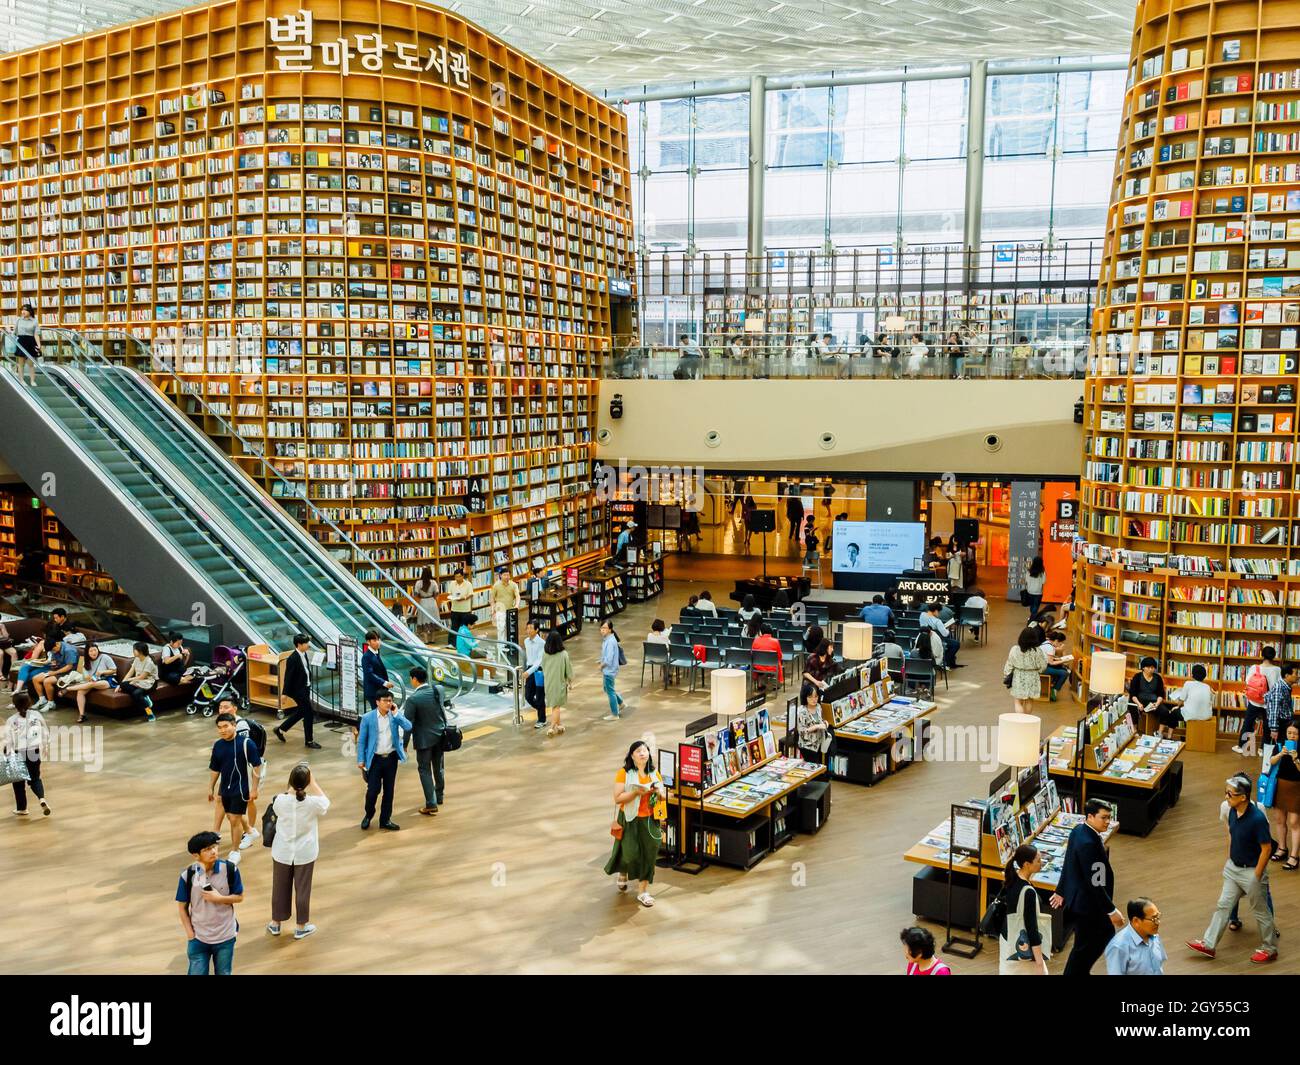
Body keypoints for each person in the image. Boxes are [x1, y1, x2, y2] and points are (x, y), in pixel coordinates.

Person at [1187, 773, 1278, 964]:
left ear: (1243, 797)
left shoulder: (1258, 819)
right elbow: (1232, 834)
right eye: (1226, 793)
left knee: (1260, 911)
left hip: (1251, 871)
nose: (1226, 797)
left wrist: (1257, 875)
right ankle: (1209, 944)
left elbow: (1267, 848)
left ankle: (1269, 948)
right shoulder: (1231, 811)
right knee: (1223, 905)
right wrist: (1230, 859)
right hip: (1233, 869)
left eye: (1230, 794)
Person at [1049, 798, 1121, 975]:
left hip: (1082, 901)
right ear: (1090, 816)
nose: (1107, 822)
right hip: (1089, 905)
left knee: (1085, 944)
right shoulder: (1089, 843)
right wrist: (1111, 910)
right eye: (1103, 818)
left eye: (1109, 817)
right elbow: (1095, 883)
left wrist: (1061, 889)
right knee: (1091, 942)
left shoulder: (1078, 830)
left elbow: (1069, 862)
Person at [267, 763, 328, 940]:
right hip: (305, 853)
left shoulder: (279, 800)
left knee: (279, 887)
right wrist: (313, 783)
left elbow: (286, 796)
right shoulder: (313, 803)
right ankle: (301, 927)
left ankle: (275, 923)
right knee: (302, 889)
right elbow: (325, 802)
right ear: (307, 782)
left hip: (282, 852)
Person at [604, 740, 665, 908]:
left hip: (649, 819)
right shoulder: (624, 773)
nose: (642, 753)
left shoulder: (654, 773)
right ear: (632, 755)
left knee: (650, 851)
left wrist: (658, 792)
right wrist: (636, 792)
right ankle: (623, 870)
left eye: (645, 751)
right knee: (630, 852)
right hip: (629, 818)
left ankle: (643, 891)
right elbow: (618, 798)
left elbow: (664, 797)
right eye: (638, 751)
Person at [176, 831, 244, 975]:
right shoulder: (188, 876)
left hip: (225, 936)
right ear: (195, 855)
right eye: (207, 849)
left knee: (224, 973)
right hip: (199, 938)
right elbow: (182, 908)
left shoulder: (230, 870)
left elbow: (239, 897)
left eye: (214, 846)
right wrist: (190, 935)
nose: (213, 851)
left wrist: (219, 899)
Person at [356, 691, 413, 831]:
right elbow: (362, 740)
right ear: (377, 702)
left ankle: (385, 820)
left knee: (389, 791)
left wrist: (396, 714)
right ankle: (369, 814)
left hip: (391, 759)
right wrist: (360, 759)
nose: (389, 703)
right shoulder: (368, 718)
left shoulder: (394, 716)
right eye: (385, 700)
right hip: (375, 760)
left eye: (390, 700)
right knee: (372, 791)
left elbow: (408, 727)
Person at [209, 711, 262, 853]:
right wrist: (211, 788)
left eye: (225, 726)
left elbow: (257, 765)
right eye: (219, 727)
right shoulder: (218, 745)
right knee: (231, 815)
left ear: (234, 725)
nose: (222, 730)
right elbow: (215, 769)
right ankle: (250, 831)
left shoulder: (246, 744)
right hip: (226, 787)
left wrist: (254, 789)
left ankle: (235, 852)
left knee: (234, 819)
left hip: (242, 786)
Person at [402, 666, 447, 816]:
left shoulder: (413, 700)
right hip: (440, 735)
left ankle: (431, 803)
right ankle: (439, 795)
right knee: (438, 767)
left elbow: (408, 725)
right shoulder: (438, 690)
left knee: (424, 770)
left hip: (423, 740)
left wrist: (404, 744)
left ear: (414, 679)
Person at [998, 844, 1050, 975]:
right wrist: (1039, 960)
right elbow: (1031, 927)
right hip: (1021, 944)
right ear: (1027, 864)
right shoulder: (1028, 892)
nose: (1041, 863)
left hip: (1007, 938)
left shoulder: (1012, 878)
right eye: (1038, 860)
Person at [4, 691, 50, 817]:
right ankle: (41, 798)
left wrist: (8, 755)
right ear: (29, 702)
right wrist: (45, 746)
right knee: (35, 778)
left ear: (15, 704)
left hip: (19, 753)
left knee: (18, 781)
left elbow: (9, 741)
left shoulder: (11, 720)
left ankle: (22, 808)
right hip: (34, 751)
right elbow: (45, 731)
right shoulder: (36, 715)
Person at [275, 633, 320, 749]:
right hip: (298, 691)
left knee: (301, 712)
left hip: (305, 688)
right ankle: (309, 741)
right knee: (309, 713)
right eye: (306, 643)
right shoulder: (293, 658)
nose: (308, 645)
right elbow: (288, 677)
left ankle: (280, 729)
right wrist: (284, 693)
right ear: (299, 644)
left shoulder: (303, 654)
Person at [1265, 721, 1300, 869]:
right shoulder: (1280, 745)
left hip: (1296, 788)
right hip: (1280, 785)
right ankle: (1282, 848)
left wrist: (1295, 758)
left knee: (1294, 822)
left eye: (1295, 734)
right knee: (1279, 819)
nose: (1291, 736)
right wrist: (1280, 754)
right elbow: (1270, 762)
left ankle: (1294, 856)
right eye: (1289, 733)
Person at [1235, 646, 1281, 755]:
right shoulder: (1277, 670)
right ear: (1273, 656)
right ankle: (1263, 750)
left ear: (1262, 655)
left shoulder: (1254, 667)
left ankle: (1243, 747)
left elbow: (1248, 681)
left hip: (1254, 701)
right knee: (1268, 726)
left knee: (1248, 723)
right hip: (1269, 703)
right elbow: (1278, 685)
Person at [1105, 898, 1167, 975]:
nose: (1158, 922)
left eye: (1158, 917)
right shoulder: (1118, 947)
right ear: (1136, 921)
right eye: (1153, 918)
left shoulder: (1154, 936)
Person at [62, 641, 118, 723]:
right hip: (93, 681)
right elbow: (87, 677)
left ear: (98, 650)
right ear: (87, 653)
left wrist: (102, 672)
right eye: (91, 651)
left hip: (107, 680)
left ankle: (69, 688)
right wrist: (90, 678)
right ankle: (82, 715)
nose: (94, 652)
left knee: (92, 684)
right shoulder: (86, 662)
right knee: (80, 691)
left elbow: (114, 670)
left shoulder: (104, 657)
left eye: (95, 650)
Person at [28, 635, 79, 712]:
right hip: (58, 670)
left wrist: (54, 672)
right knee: (35, 678)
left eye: (53, 650)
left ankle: (51, 703)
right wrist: (53, 664)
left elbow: (69, 667)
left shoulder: (69, 650)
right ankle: (42, 700)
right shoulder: (54, 648)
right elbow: (54, 659)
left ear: (57, 644)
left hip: (69, 673)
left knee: (47, 681)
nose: (53, 652)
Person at [541, 629, 572, 738]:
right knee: (556, 706)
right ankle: (552, 727)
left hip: (548, 682)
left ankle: (559, 725)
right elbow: (568, 669)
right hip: (559, 683)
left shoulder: (545, 654)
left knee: (554, 705)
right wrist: (570, 681)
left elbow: (543, 666)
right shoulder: (563, 654)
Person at [1169, 663, 1215, 738]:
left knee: (1174, 713)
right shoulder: (1208, 687)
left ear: (1192, 675)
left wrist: (1177, 707)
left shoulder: (1188, 683)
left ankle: (1169, 736)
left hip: (1192, 715)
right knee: (1190, 710)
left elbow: (1181, 701)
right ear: (1204, 676)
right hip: (1207, 716)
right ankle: (1191, 736)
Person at [119, 641, 159, 721]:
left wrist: (129, 680)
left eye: (134, 650)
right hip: (138, 681)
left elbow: (142, 677)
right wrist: (121, 684)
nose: (133, 651)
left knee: (136, 694)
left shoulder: (149, 662)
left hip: (150, 683)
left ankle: (149, 712)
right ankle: (145, 697)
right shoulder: (137, 659)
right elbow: (131, 672)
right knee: (124, 685)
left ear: (140, 651)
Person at [795, 681, 832, 764]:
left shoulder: (818, 707)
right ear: (805, 697)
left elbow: (820, 720)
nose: (814, 699)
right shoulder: (802, 712)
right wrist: (817, 726)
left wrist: (824, 723)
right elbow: (802, 732)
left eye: (816, 696)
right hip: (807, 746)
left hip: (819, 743)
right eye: (810, 697)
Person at [1127, 656, 1168, 727]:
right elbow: (1133, 694)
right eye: (1148, 667)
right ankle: (1134, 730)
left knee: (1165, 711)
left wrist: (1157, 704)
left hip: (1153, 702)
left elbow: (1161, 694)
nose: (1150, 669)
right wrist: (1139, 704)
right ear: (1143, 668)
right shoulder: (1137, 677)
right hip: (1139, 701)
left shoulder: (1158, 678)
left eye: (1152, 668)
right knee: (1132, 708)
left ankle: (1159, 732)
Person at [1264, 663, 1296, 749]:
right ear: (1287, 675)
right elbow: (1274, 709)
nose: (1297, 676)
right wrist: (1274, 729)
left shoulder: (1286, 686)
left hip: (1285, 722)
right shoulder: (1279, 687)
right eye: (1295, 674)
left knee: (1283, 747)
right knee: (1278, 748)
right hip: (1280, 723)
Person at [521, 621, 547, 728]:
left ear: (537, 630)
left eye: (531, 628)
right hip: (529, 669)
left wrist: (528, 672)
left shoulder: (542, 643)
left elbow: (539, 661)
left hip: (539, 670)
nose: (529, 630)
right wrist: (527, 669)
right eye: (527, 628)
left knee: (540, 695)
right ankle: (541, 709)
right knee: (528, 696)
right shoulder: (526, 641)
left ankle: (542, 719)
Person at [490, 566, 519, 658]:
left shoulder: (514, 585)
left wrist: (517, 605)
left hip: (511, 610)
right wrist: (493, 610)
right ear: (500, 575)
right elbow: (492, 599)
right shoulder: (496, 585)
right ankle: (500, 647)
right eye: (505, 575)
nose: (507, 577)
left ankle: (509, 646)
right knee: (501, 629)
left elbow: (517, 596)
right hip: (500, 611)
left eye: (508, 575)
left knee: (510, 629)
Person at [600, 620, 626, 721]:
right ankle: (621, 703)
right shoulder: (608, 639)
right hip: (610, 669)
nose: (602, 630)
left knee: (609, 690)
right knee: (607, 688)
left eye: (605, 628)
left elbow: (609, 659)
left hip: (609, 670)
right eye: (601, 628)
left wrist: (601, 665)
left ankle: (615, 714)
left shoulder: (610, 641)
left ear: (610, 630)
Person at [920, 601, 959, 669]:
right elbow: (945, 634)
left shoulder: (922, 615)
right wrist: (948, 629)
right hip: (935, 640)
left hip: (923, 638)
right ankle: (945, 661)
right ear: (935, 611)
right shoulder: (937, 621)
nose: (939, 614)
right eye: (939, 612)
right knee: (956, 644)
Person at [360, 630, 392, 710]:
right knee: (377, 714)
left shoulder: (376, 652)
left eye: (379, 639)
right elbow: (369, 674)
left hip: (380, 690)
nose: (378, 642)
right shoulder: (366, 657)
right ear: (368, 642)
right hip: (373, 691)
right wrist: (384, 682)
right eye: (375, 640)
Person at [1040, 630, 1072, 702]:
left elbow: (1048, 658)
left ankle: (1053, 687)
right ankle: (1055, 689)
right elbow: (1051, 663)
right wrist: (1063, 660)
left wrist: (1059, 659)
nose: (1061, 645)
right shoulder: (1050, 648)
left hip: (1041, 665)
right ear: (1056, 641)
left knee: (1062, 669)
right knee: (1065, 673)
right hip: (1042, 668)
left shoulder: (1046, 643)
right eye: (1061, 643)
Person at [446, 567, 475, 645]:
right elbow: (449, 594)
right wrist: (452, 597)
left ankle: (463, 644)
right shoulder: (452, 583)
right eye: (456, 577)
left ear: (462, 576)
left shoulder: (468, 584)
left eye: (459, 576)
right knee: (454, 627)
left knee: (464, 628)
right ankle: (452, 644)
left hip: (465, 610)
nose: (457, 578)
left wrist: (463, 598)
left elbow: (471, 594)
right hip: (455, 609)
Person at [13, 302, 39, 386]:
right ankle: (21, 380)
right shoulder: (18, 319)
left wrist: (39, 345)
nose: (23, 312)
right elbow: (15, 332)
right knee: (21, 363)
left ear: (30, 311)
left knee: (31, 363)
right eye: (22, 310)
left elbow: (36, 334)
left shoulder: (35, 320)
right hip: (21, 341)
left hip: (31, 341)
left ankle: (32, 381)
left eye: (25, 310)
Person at [412, 566, 442, 639]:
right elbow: (436, 594)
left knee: (423, 621)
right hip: (432, 603)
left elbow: (416, 595)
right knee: (433, 620)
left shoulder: (418, 583)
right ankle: (432, 639)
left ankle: (425, 640)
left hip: (423, 603)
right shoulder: (433, 582)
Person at [751, 623, 784, 687]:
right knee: (779, 661)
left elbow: (752, 654)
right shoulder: (775, 641)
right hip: (772, 667)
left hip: (758, 666)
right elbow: (780, 656)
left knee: (760, 664)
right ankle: (776, 684)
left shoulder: (756, 640)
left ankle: (760, 682)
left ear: (761, 631)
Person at [1024, 556, 1046, 621]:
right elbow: (1044, 581)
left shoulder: (1029, 571)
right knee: (1036, 606)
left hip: (1030, 591)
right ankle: (1032, 618)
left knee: (1032, 605)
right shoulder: (1042, 572)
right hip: (1038, 592)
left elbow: (1027, 580)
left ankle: (1032, 616)